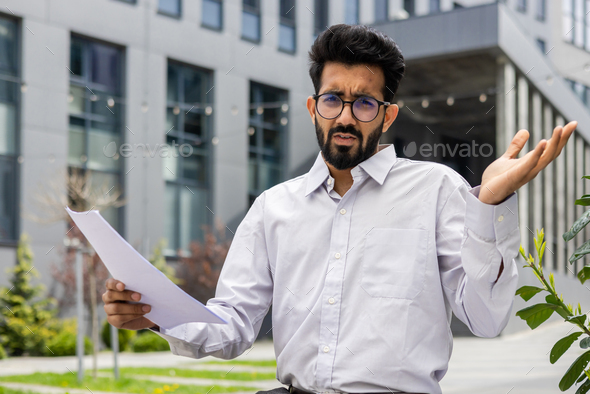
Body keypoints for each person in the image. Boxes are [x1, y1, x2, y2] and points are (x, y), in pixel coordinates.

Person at [102, 24, 576, 394]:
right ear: (313, 107)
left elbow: (488, 318)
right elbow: (233, 325)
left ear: (388, 115)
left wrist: (490, 205)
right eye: (333, 99)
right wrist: (155, 314)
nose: (346, 116)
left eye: (365, 103)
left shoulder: (435, 190)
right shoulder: (274, 208)